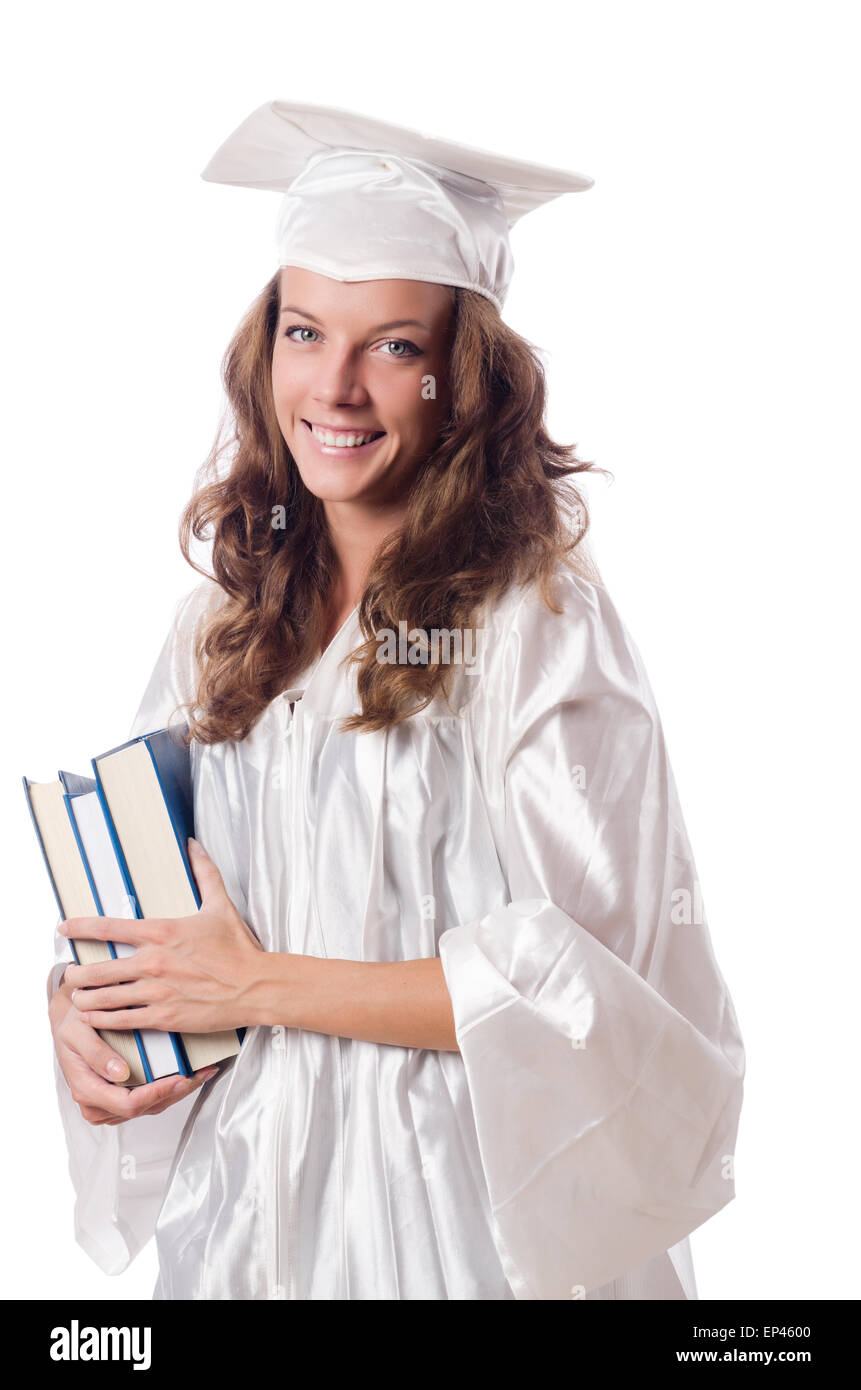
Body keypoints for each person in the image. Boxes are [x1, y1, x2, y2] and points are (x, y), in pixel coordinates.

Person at [46, 101, 745, 1300]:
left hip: (453, 1226)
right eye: (307, 331)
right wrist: (89, 1011)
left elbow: (589, 978)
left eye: (396, 346)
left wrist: (258, 985)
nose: (339, 387)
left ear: (460, 379)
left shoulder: (537, 623)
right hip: (247, 1221)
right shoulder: (221, 627)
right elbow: (167, 904)